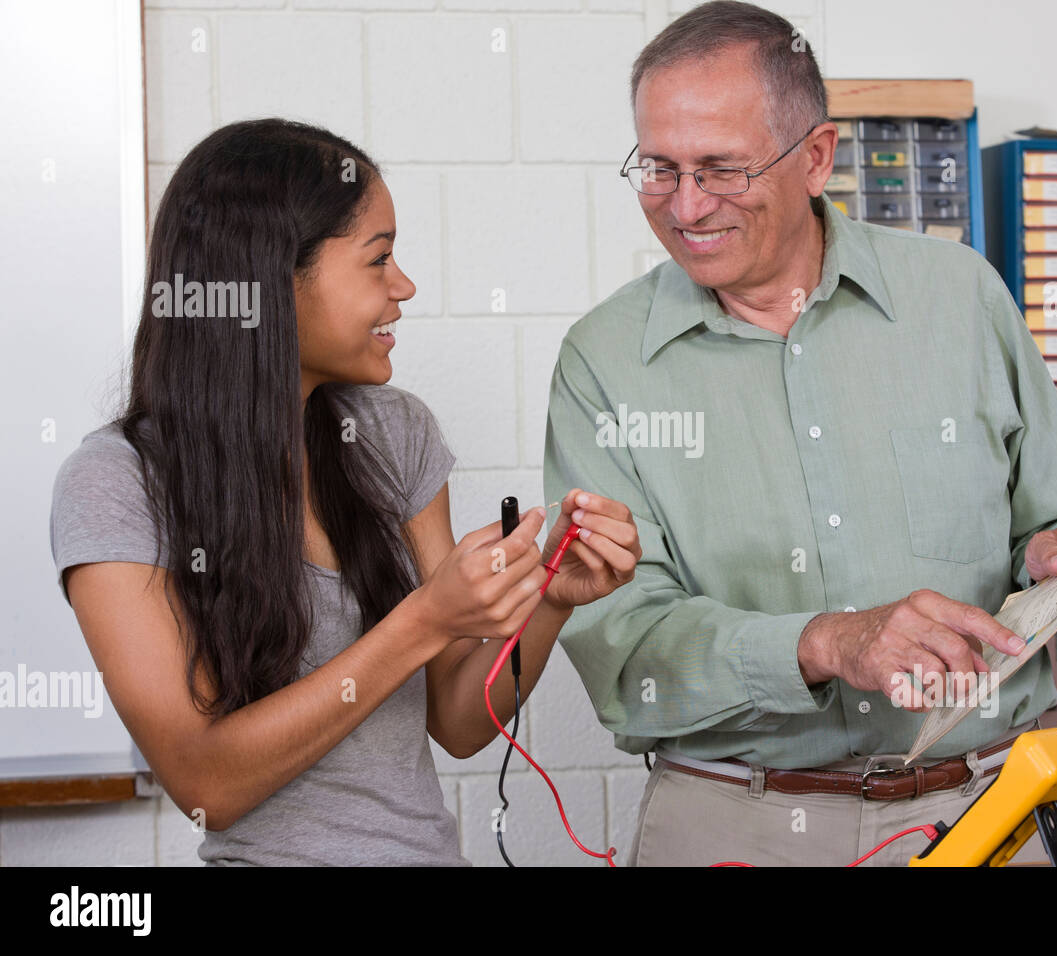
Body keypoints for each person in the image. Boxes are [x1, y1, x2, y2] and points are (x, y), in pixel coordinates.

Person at [542, 1, 1057, 866]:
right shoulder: (603, 362)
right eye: (658, 168)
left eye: (719, 168)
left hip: (987, 808)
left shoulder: (959, 299)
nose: (684, 204)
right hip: (736, 827)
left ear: (816, 157)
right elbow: (623, 648)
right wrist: (826, 642)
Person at [49, 118, 640, 866]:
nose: (405, 286)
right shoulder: (115, 484)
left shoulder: (394, 435)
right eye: (379, 259)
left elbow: (457, 723)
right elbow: (205, 781)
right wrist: (426, 619)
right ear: (271, 279)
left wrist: (549, 594)